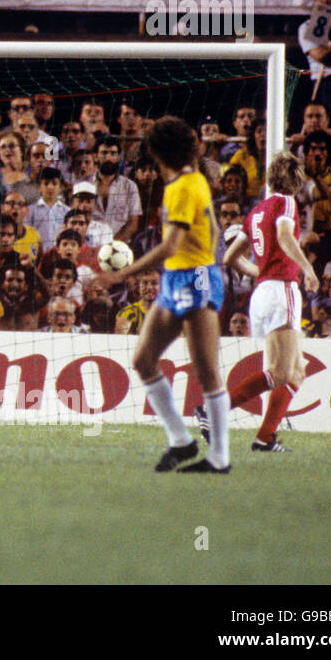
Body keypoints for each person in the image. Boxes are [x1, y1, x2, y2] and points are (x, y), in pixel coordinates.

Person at [95, 116, 229, 474]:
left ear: (156, 153)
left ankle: (219, 458)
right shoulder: (185, 182)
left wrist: (121, 275)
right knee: (143, 359)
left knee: (206, 371)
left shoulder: (185, 186)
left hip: (197, 277)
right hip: (175, 279)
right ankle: (181, 441)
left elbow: (171, 244)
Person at [213, 152, 321, 452]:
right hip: (281, 289)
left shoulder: (257, 211)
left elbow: (230, 257)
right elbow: (286, 237)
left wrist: (259, 271)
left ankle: (265, 437)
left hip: (263, 292)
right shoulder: (286, 202)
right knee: (280, 372)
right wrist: (308, 268)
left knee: (295, 370)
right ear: (296, 182)